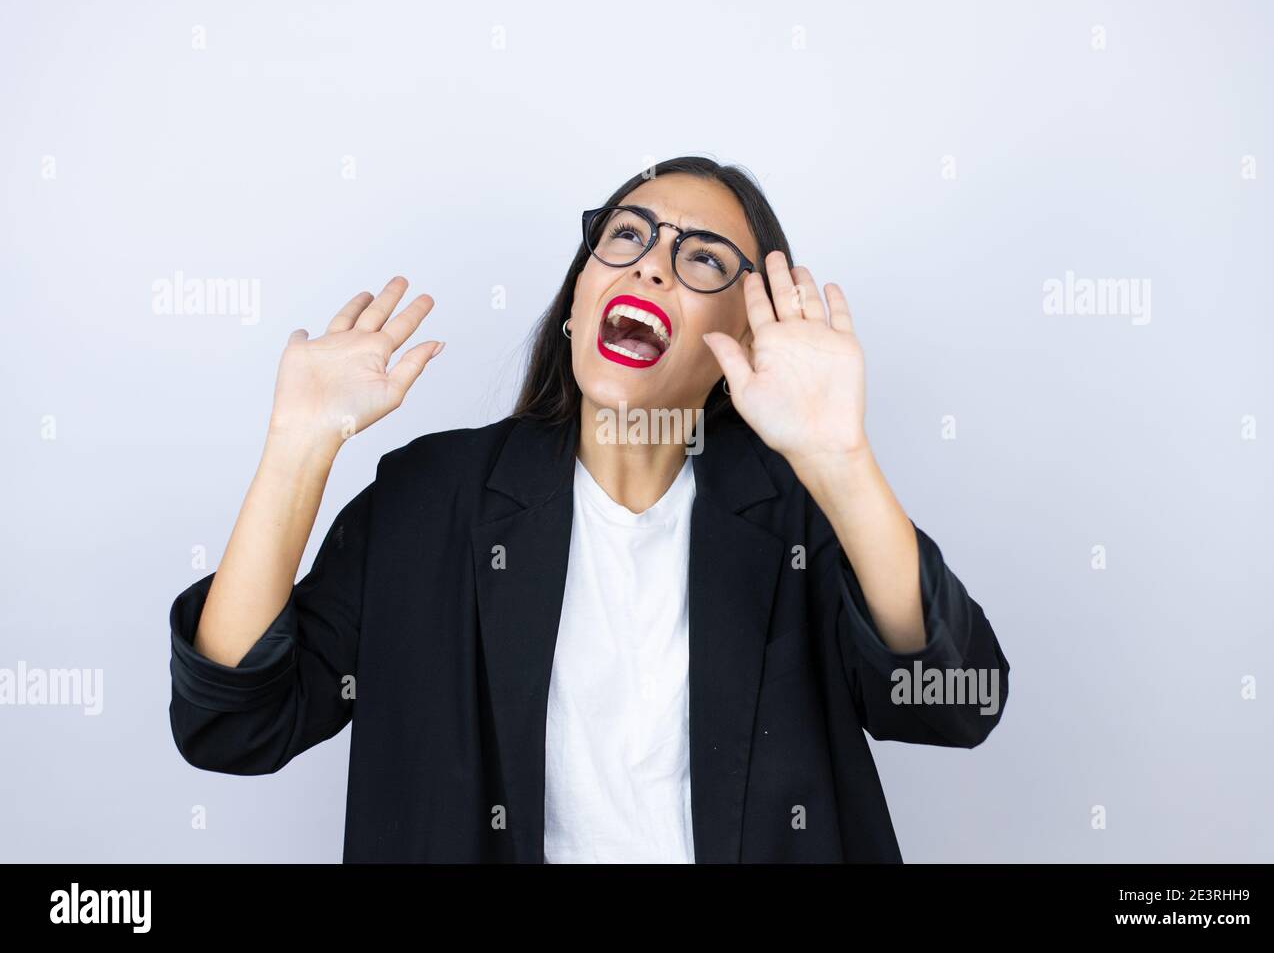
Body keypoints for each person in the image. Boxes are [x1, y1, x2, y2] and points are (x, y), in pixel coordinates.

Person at [167, 156, 1010, 862]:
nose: (650, 264)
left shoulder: (802, 516)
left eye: (705, 259)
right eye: (628, 236)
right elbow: (234, 724)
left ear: (747, 340)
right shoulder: (430, 501)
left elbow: (952, 702)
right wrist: (298, 447)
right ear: (577, 303)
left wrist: (842, 463)